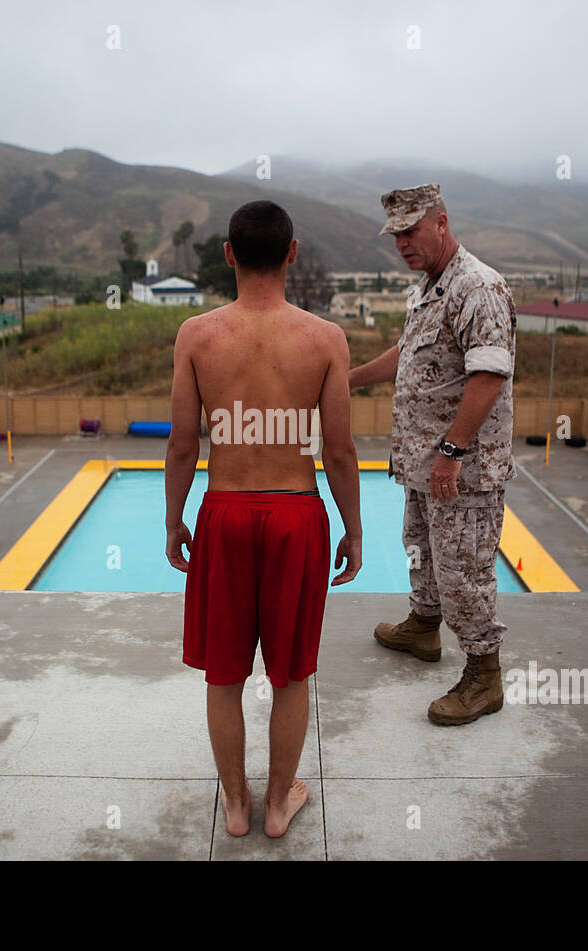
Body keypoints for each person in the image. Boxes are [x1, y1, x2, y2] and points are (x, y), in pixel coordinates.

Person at [165, 200, 361, 839]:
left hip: (224, 514)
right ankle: (279, 804)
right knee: (291, 673)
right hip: (297, 516)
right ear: (292, 253)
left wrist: (175, 521)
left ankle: (236, 804)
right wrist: (354, 530)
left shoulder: (196, 336)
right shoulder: (326, 340)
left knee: (224, 674)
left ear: (228, 255)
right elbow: (338, 450)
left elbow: (182, 445)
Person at [348, 183, 516, 726]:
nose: (402, 242)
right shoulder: (429, 289)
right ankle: (424, 626)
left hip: (460, 470)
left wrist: (451, 451)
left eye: (411, 231)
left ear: (441, 222)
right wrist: (350, 380)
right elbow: (409, 356)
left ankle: (484, 675)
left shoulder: (478, 287)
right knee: (421, 548)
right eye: (395, 234)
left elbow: (488, 375)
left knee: (463, 569)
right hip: (425, 466)